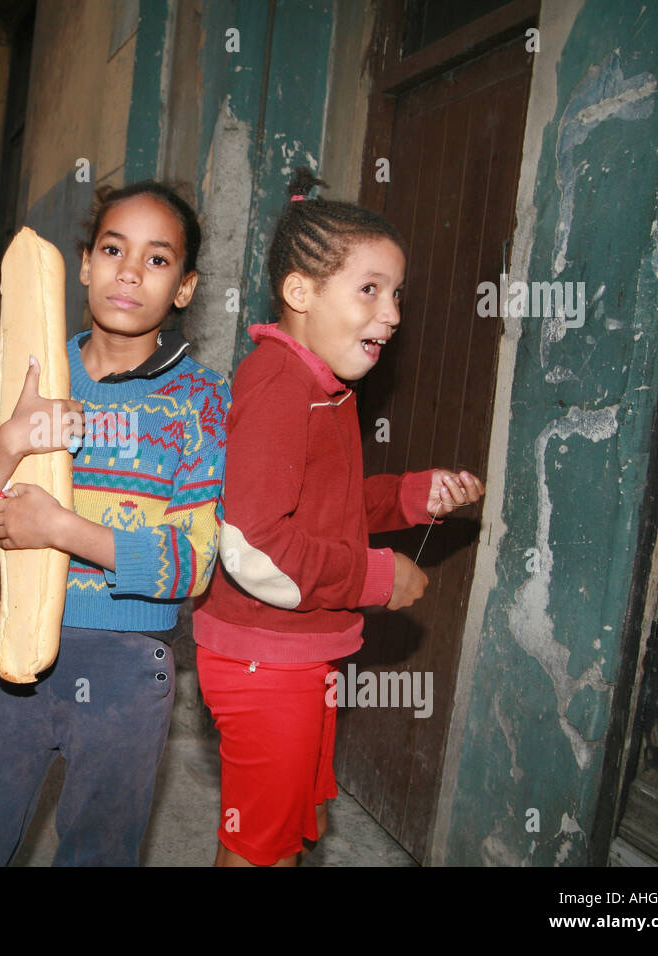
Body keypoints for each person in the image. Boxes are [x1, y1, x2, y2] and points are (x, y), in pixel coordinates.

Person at [0, 181, 230, 866]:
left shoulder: (201, 401)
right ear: (85, 262)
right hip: (17, 660)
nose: (129, 271)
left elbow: (192, 563)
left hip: (130, 671)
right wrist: (9, 443)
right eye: (114, 249)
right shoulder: (30, 377)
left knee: (99, 851)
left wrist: (60, 528)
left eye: (158, 260)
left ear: (185, 288)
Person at [192, 168, 486, 867]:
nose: (392, 313)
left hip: (300, 651)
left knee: (284, 834)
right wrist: (375, 578)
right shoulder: (278, 385)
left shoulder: (322, 386)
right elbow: (254, 542)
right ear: (300, 293)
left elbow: (328, 508)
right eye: (370, 290)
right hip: (264, 658)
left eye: (397, 295)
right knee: (257, 850)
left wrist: (415, 495)